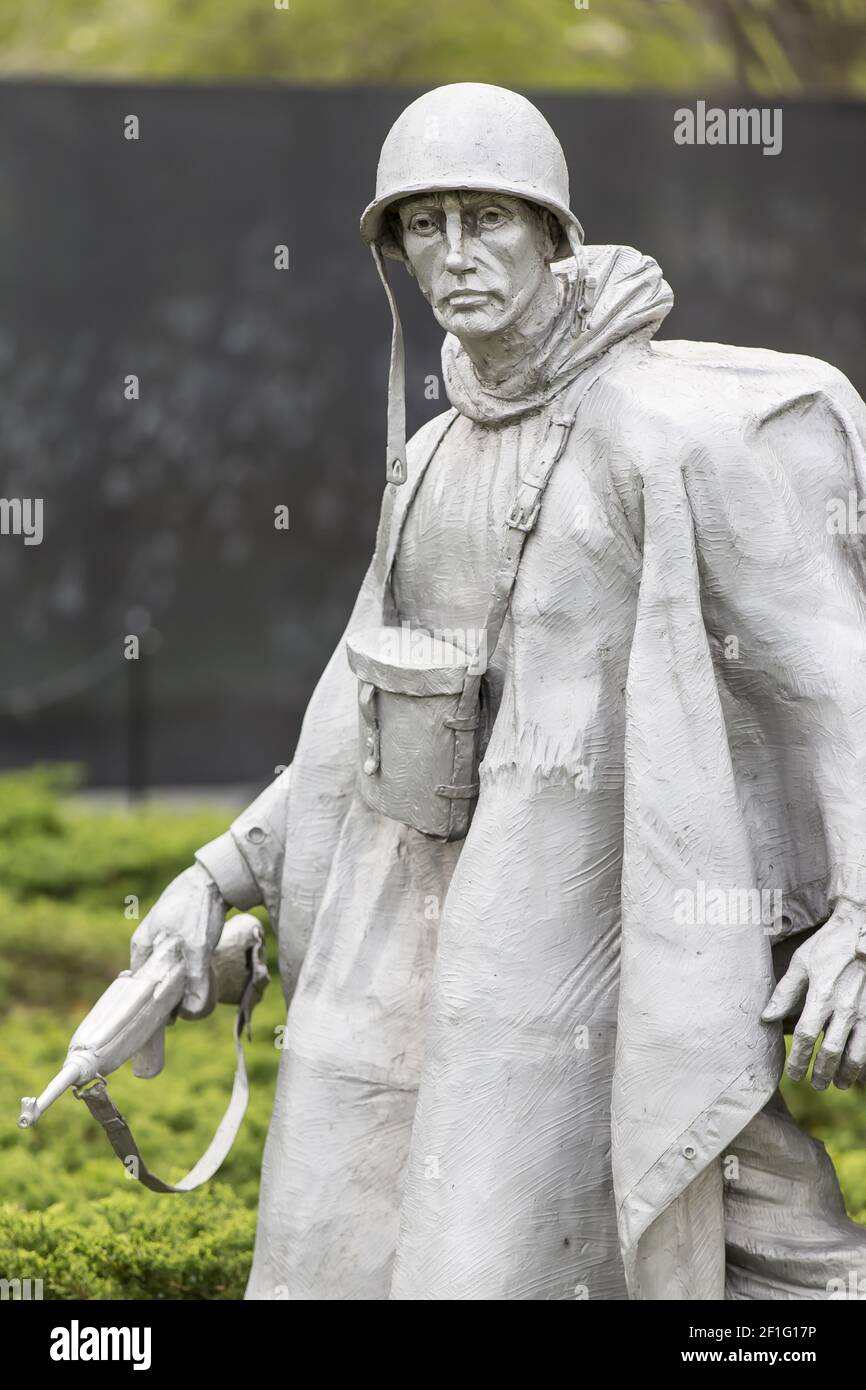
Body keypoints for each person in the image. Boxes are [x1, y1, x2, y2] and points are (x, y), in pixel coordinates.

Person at [131, 83, 866, 1300]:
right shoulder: (428, 454)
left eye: (487, 218)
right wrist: (218, 872)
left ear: (552, 232)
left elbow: (830, 670)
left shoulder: (668, 436)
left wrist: (858, 911)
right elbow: (358, 729)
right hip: (412, 938)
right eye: (424, 226)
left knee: (693, 1240)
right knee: (331, 1237)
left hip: (592, 945)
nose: (457, 255)